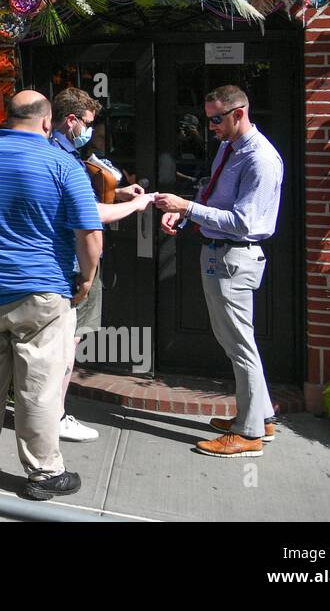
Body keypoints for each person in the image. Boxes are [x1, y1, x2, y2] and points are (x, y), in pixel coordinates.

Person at [0, 91, 105, 501]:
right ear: (47, 122)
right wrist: (87, 280)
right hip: (42, 290)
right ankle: (43, 473)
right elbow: (90, 234)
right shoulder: (63, 165)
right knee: (39, 386)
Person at [154, 85, 284, 458]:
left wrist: (187, 207)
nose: (209, 126)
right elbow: (214, 198)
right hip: (218, 254)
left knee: (240, 345)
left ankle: (248, 434)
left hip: (234, 257)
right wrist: (184, 211)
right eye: (208, 118)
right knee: (236, 342)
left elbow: (243, 222)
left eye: (215, 119)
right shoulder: (230, 149)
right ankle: (261, 417)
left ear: (238, 113)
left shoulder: (261, 159)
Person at [49, 87, 148, 443]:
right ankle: (55, 415)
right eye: (88, 123)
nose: (90, 131)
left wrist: (119, 193)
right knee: (65, 346)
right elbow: (89, 218)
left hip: (62, 265)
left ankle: (47, 412)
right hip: (73, 267)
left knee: (60, 345)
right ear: (71, 120)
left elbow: (83, 200)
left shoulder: (66, 156)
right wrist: (135, 206)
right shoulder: (62, 157)